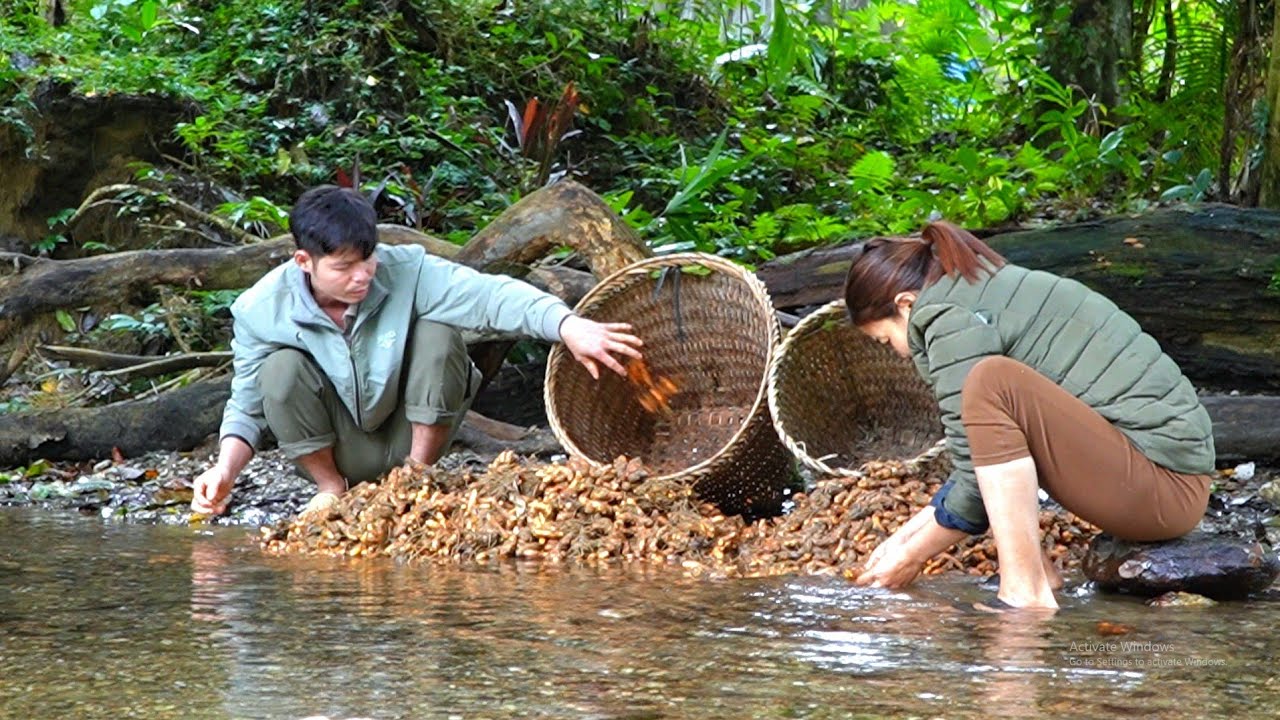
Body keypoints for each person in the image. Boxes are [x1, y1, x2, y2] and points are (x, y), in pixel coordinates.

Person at [190, 185, 642, 517]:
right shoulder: (260, 309)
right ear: (304, 262)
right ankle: (332, 490)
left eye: (368, 259)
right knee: (279, 369)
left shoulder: (406, 271)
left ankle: (416, 479)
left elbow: (491, 296)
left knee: (438, 331)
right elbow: (246, 405)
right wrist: (223, 474)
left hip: (412, 436)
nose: (362, 276)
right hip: (337, 450)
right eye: (345, 267)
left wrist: (567, 325)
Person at [845, 220, 1214, 610]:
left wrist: (912, 555)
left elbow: (974, 483)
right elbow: (985, 459)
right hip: (1164, 480)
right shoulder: (975, 291)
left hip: (1163, 490)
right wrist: (903, 538)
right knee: (994, 410)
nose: (899, 353)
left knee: (991, 382)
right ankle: (1041, 573)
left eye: (887, 339)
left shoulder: (948, 317)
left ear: (905, 303)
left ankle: (1025, 591)